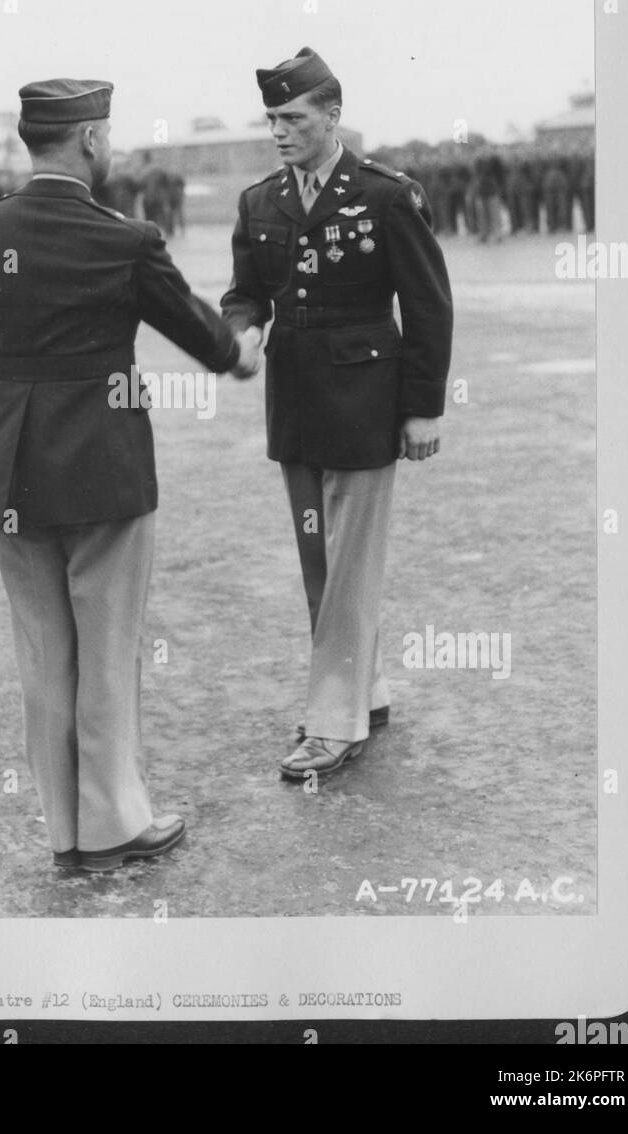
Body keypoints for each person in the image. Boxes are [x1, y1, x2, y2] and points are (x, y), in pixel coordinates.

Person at [0, 77, 254, 872]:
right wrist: (240, 352)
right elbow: (203, 338)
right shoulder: (123, 238)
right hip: (103, 470)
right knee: (106, 649)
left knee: (44, 653)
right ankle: (114, 824)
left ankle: (65, 832)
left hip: (9, 472)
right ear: (91, 141)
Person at [221, 47, 453, 781]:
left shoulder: (386, 195)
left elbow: (427, 305)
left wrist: (422, 410)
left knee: (350, 569)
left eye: (292, 118)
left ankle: (333, 723)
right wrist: (242, 329)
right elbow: (245, 292)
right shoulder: (261, 201)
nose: (280, 132)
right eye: (272, 121)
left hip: (365, 404)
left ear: (332, 116)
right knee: (321, 564)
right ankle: (365, 691)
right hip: (293, 401)